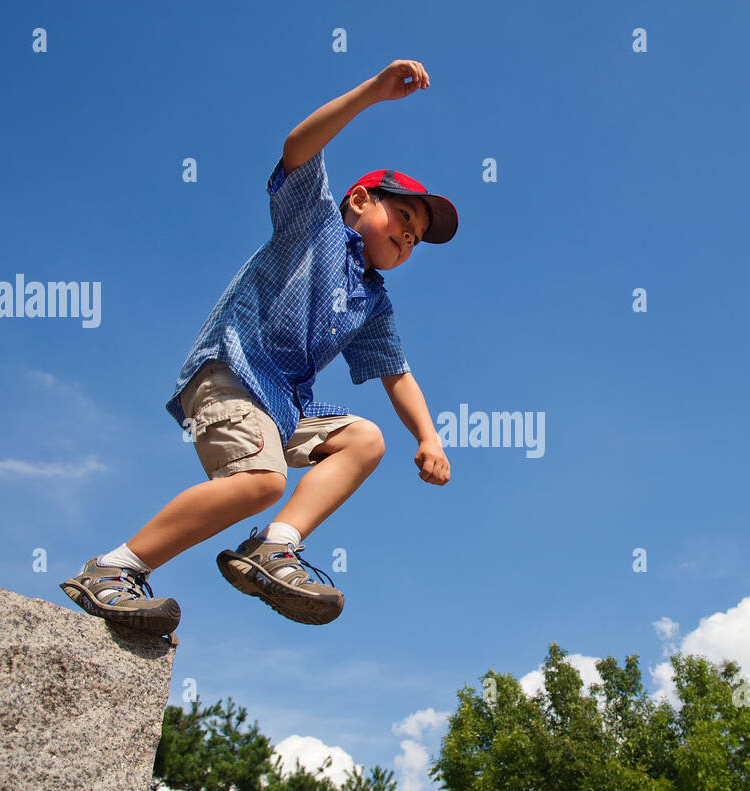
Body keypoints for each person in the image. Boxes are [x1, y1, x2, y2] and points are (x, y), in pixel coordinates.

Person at [61, 59, 456, 636]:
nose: (406, 238)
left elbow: (396, 373)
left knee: (365, 440)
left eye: (415, 240)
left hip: (283, 406)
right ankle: (114, 568)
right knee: (262, 480)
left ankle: (274, 547)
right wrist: (372, 93)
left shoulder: (373, 300)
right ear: (360, 201)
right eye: (402, 217)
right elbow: (298, 147)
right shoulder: (315, 222)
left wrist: (428, 435)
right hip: (232, 374)